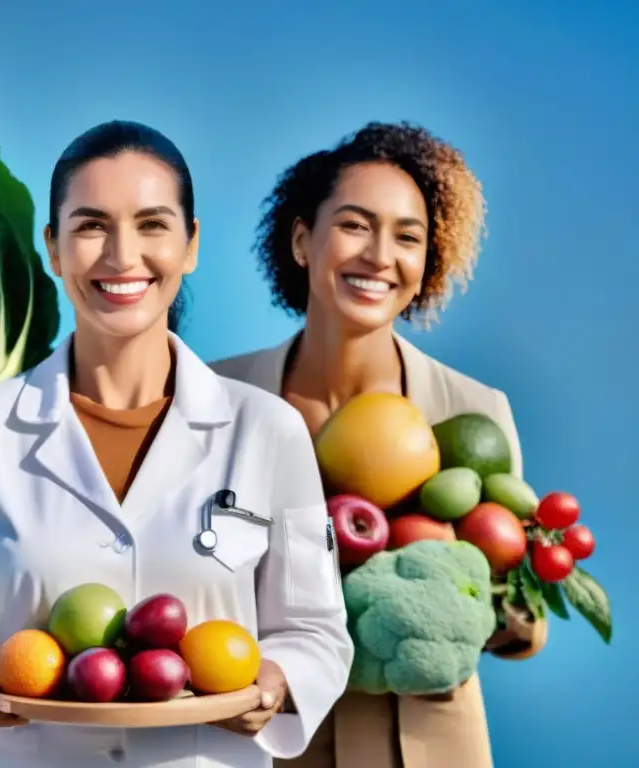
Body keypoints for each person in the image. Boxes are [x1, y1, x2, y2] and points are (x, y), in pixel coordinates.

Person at [0, 119, 354, 768]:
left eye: (153, 224)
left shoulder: (268, 431)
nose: (122, 256)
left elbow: (315, 630)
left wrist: (273, 685)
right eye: (91, 225)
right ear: (53, 247)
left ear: (191, 245)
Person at [209, 122, 547, 768]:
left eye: (408, 237)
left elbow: (520, 621)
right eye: (356, 225)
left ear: (428, 265)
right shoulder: (214, 396)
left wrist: (482, 589)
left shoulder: (474, 412)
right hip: (255, 738)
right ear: (303, 239)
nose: (379, 255)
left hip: (421, 747)